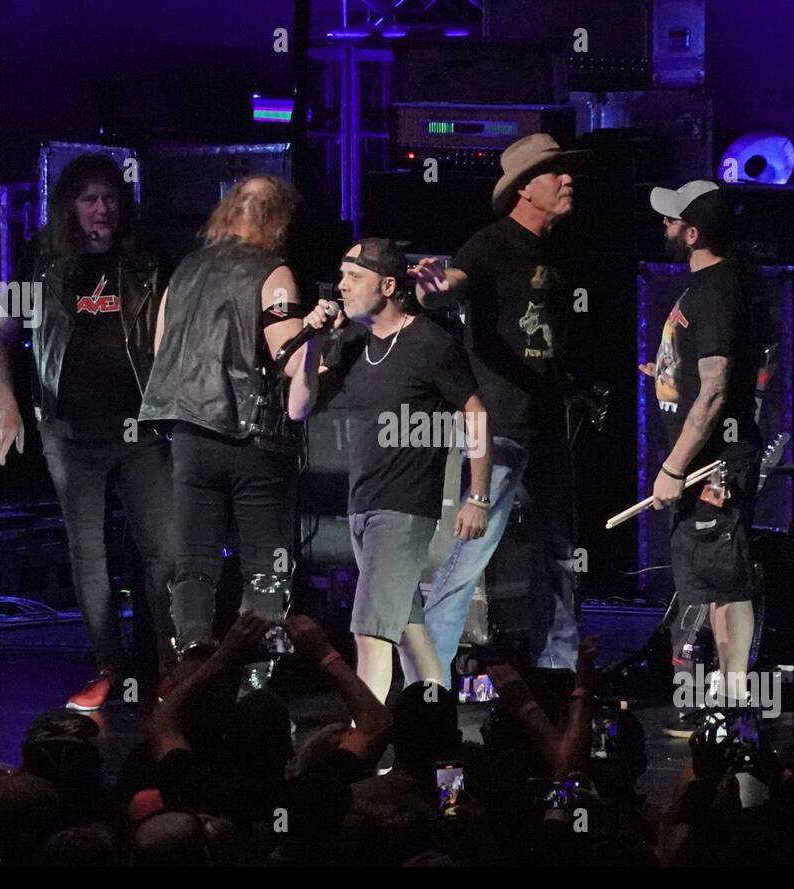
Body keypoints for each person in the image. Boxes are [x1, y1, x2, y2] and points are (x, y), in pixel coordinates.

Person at [0, 152, 175, 711]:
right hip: (69, 434)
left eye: (110, 198)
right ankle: (108, 667)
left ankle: (168, 667)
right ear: (70, 206)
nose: (102, 209)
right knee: (88, 554)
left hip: (140, 432)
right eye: (90, 199)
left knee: (162, 552)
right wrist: (7, 407)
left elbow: (174, 333)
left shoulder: (144, 258)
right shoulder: (44, 261)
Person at [408, 133, 587, 685]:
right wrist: (433, 288)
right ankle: (428, 679)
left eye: (566, 171)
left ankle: (556, 671)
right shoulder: (491, 243)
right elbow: (450, 286)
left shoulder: (558, 252)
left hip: (549, 426)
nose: (567, 179)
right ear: (522, 189)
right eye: (554, 172)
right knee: (472, 553)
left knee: (558, 555)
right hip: (503, 426)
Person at [288, 238, 491, 702]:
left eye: (354, 277)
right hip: (364, 505)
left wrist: (477, 496)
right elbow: (299, 406)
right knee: (406, 629)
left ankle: (366, 745)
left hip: (402, 510)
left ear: (389, 285)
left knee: (370, 634)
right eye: (340, 276)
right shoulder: (354, 344)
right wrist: (315, 341)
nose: (342, 287)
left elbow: (475, 412)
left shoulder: (430, 342)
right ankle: (435, 731)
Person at [138, 176, 307, 656]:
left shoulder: (185, 270)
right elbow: (288, 355)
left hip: (190, 434)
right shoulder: (273, 273)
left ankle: (193, 663)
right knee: (265, 565)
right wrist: (324, 340)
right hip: (253, 437)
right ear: (279, 220)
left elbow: (161, 351)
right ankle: (253, 680)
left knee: (194, 563)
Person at [640, 180, 762, 730]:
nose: (662, 227)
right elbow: (700, 379)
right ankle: (719, 699)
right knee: (705, 579)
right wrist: (669, 375)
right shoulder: (706, 287)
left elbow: (716, 389)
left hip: (714, 463)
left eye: (671, 221)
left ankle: (734, 698)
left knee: (724, 577)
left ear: (693, 233)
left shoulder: (716, 291)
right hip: (699, 460)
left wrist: (673, 467)